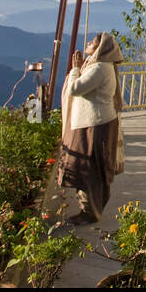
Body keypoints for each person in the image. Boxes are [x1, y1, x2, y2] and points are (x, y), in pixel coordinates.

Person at [56, 31, 125, 224]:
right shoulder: (98, 66)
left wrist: (75, 69)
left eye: (91, 42)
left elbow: (75, 88)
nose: (87, 43)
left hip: (93, 125)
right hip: (93, 123)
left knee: (89, 168)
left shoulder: (100, 68)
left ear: (100, 48)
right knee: (92, 167)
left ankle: (90, 211)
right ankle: (90, 209)